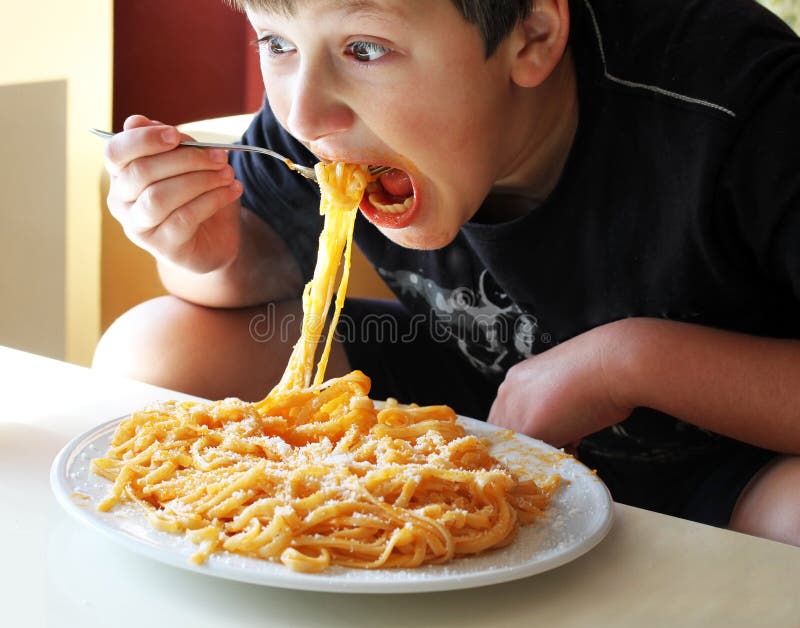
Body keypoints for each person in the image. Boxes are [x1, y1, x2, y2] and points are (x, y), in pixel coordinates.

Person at [94, 0, 800, 545]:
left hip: (737, 458)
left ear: (532, 35)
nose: (306, 113)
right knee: (158, 346)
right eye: (276, 41)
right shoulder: (321, 116)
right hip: (469, 409)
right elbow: (257, 266)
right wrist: (205, 251)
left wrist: (629, 364)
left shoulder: (748, 107)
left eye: (366, 48)